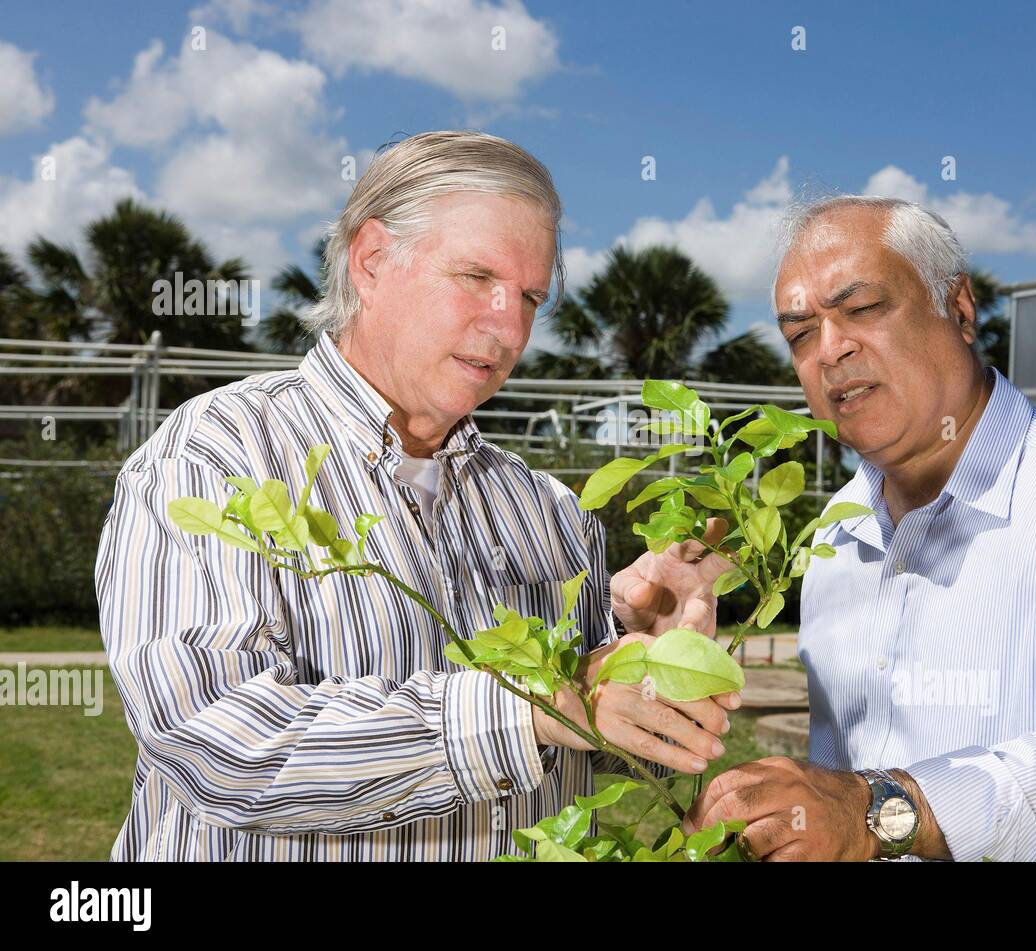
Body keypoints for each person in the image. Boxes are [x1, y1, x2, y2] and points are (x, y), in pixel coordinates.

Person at [96, 131, 737, 861]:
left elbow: (589, 759)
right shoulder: (218, 454)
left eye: (529, 296)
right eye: (476, 277)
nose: (509, 323)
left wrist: (647, 672)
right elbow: (219, 744)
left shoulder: (549, 510)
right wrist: (532, 710)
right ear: (371, 260)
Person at [685, 196, 1036, 862]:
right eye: (800, 334)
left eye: (861, 309)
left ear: (958, 308)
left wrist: (878, 811)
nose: (830, 349)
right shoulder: (835, 535)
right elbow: (838, 772)